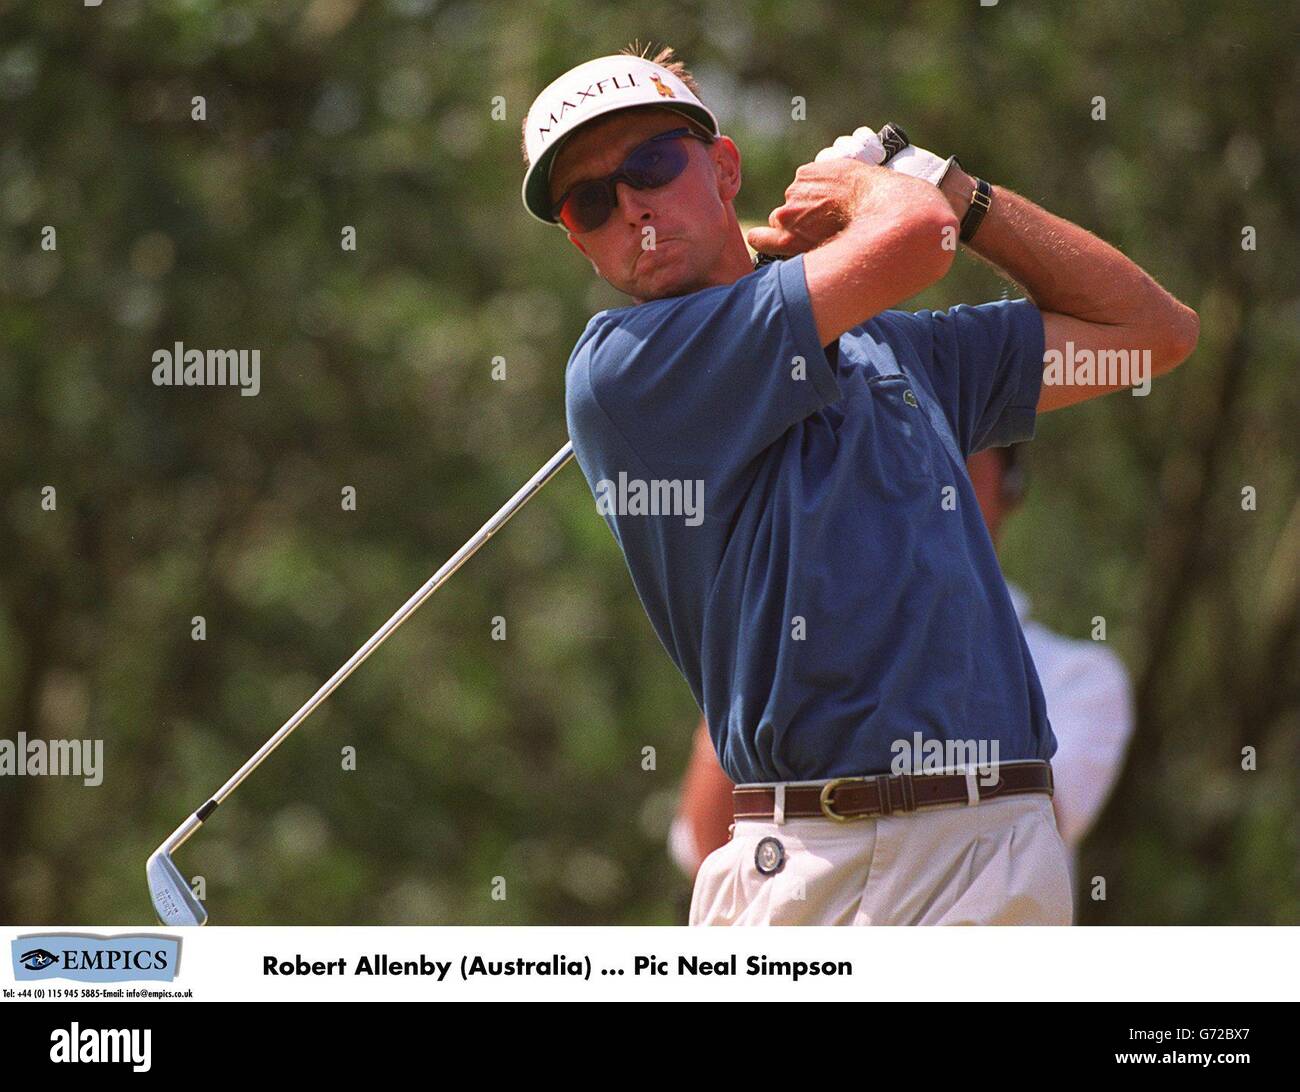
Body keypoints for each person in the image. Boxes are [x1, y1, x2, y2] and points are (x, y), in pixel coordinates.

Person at [520, 45, 1197, 925]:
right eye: (593, 200)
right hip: (818, 868)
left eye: (651, 163)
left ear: (723, 168)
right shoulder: (622, 369)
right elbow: (912, 240)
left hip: (1002, 852)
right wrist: (871, 193)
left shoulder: (903, 350)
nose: (633, 205)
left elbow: (1149, 331)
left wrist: (957, 191)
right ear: (578, 238)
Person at [669, 445, 1136, 917]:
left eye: (958, 449)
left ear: (1010, 488)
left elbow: (1030, 826)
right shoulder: (793, 643)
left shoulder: (1079, 677)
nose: (924, 477)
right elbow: (709, 847)